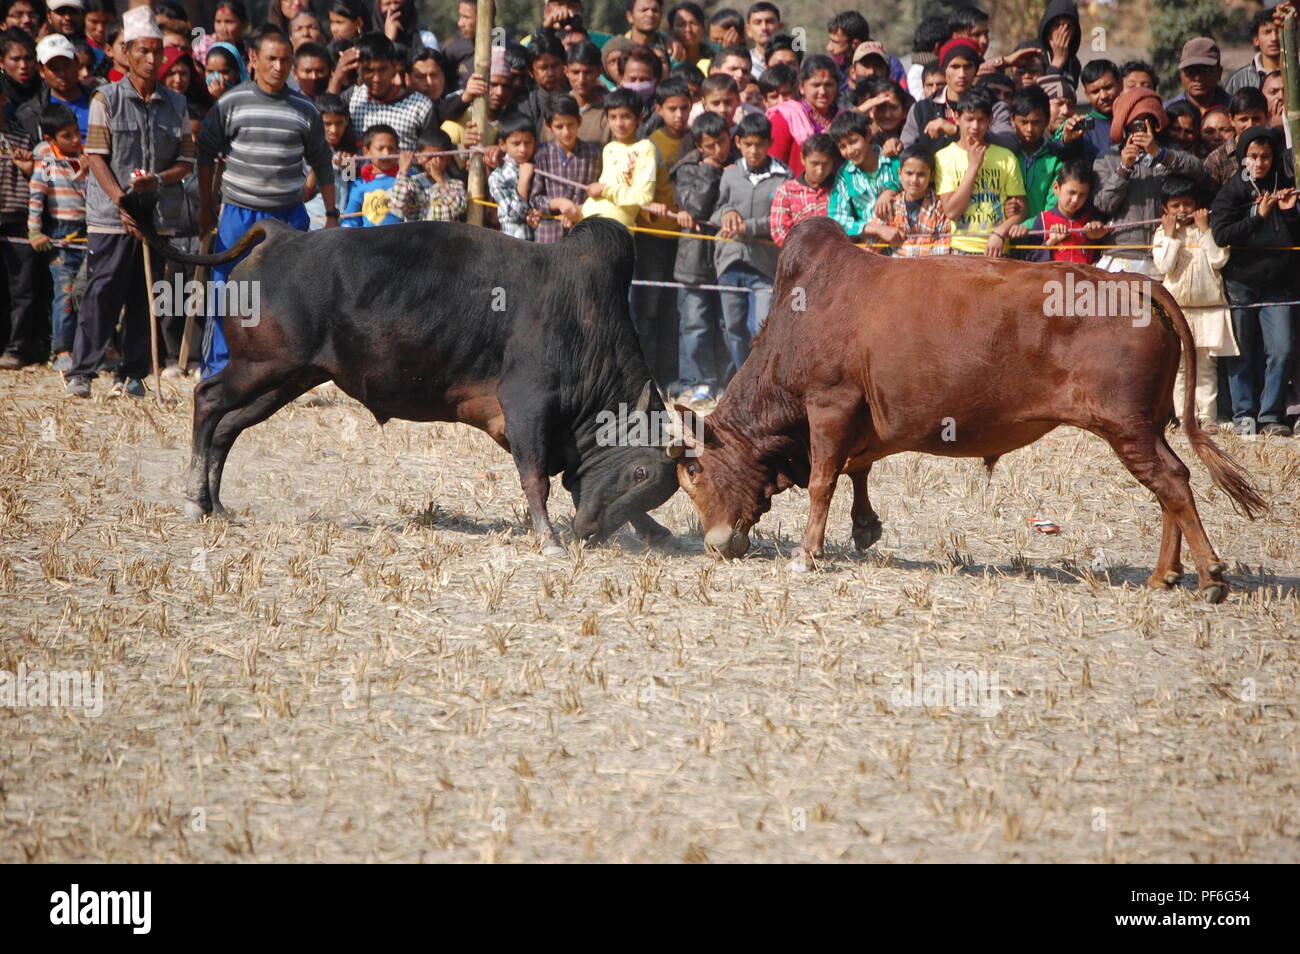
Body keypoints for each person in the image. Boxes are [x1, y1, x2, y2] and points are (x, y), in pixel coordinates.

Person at [63, 7, 194, 398]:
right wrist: (122, 202)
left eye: (158, 52)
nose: (152, 59)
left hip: (155, 214)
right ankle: (82, 370)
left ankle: (133, 372)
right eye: (144, 51)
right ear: (126, 51)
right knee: (102, 292)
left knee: (146, 294)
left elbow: (186, 161)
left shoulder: (177, 104)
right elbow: (97, 157)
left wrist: (160, 179)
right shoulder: (107, 98)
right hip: (110, 214)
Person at [197, 26, 335, 376]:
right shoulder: (229, 103)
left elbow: (323, 162)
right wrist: (204, 205)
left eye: (286, 60)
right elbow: (205, 155)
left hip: (288, 216)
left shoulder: (305, 109)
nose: (279, 66)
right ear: (253, 59)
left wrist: (331, 213)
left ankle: (283, 371)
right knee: (229, 291)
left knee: (288, 296)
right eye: (271, 58)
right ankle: (219, 370)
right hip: (239, 214)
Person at [1209, 126, 1299, 437]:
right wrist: (1257, 217)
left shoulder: (1286, 186)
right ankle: (1243, 413)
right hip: (1241, 282)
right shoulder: (1232, 191)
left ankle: (1271, 414)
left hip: (1278, 283)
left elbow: (1295, 236)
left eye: (1265, 157)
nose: (1258, 164)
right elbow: (1220, 234)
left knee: (1283, 348)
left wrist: (1288, 214)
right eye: (1252, 157)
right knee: (1241, 350)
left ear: (1274, 158)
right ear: (1243, 158)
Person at [1091, 86, 1203, 278]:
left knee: (1157, 309)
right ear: (1125, 125)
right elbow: (1103, 204)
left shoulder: (1168, 153)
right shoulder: (1108, 157)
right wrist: (1124, 168)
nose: (1141, 129)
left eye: (1148, 123)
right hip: (1121, 253)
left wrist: (1159, 153)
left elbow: (1198, 170)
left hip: (1165, 252)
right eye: (1136, 124)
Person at [1151, 175, 1234, 432]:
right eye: (1175, 206)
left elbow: (1219, 260)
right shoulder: (1161, 234)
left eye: (1187, 204)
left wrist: (1206, 229)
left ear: (1197, 204)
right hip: (1177, 310)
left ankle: (1207, 417)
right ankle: (1184, 418)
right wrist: (1170, 236)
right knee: (1179, 367)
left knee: (1206, 366)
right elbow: (1163, 266)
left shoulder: (1208, 229)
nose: (1182, 210)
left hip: (1209, 309)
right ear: (1165, 209)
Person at [711, 111, 787, 365]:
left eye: (760, 144)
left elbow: (783, 220)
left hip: (764, 264)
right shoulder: (730, 174)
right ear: (739, 143)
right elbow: (716, 210)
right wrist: (727, 212)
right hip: (730, 261)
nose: (754, 150)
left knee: (760, 327)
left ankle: (758, 381)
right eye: (748, 144)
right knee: (732, 327)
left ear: (770, 144)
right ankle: (741, 378)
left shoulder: (783, 178)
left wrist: (748, 227)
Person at [670, 109, 732, 402]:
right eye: (710, 145)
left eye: (722, 141)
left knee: (729, 323)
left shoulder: (739, 164)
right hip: (694, 259)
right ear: (698, 146)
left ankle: (726, 380)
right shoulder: (686, 169)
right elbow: (693, 208)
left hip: (728, 256)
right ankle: (697, 381)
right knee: (694, 322)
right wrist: (709, 171)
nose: (718, 150)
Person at [636, 75, 692, 384]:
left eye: (685, 108)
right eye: (672, 108)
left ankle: (673, 376)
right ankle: (646, 377)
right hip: (652, 235)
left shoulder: (695, 139)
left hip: (686, 238)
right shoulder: (650, 145)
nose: (679, 115)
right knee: (649, 308)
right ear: (659, 109)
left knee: (676, 310)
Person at [26, 103, 85, 373]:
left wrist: (88, 169)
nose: (76, 140)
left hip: (88, 231)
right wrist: (35, 231)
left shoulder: (86, 157)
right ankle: (62, 349)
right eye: (68, 136)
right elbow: (36, 197)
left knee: (90, 292)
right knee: (65, 292)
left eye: (77, 133)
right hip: (61, 232)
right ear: (50, 138)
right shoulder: (45, 161)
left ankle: (91, 348)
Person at [934, 87, 1025, 256]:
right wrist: (973, 167)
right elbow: (952, 211)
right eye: (969, 119)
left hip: (997, 249)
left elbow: (1021, 209)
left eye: (981, 120)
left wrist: (1000, 232)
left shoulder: (1006, 157)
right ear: (956, 117)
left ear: (990, 119)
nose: (975, 126)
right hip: (960, 249)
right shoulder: (944, 157)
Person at [901, 37, 1015, 155]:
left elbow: (1011, 144)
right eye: (955, 67)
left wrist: (956, 131)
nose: (962, 74)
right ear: (944, 69)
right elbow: (906, 154)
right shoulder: (921, 110)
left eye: (968, 67)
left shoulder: (993, 105)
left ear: (976, 70)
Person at [0, 80, 37, 371]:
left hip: (17, 219)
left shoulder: (22, 137)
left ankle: (16, 348)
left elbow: (37, 181)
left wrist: (28, 169)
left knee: (21, 289)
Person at [527, 94, 599, 242]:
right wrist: (559, 203)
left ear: (579, 121)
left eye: (570, 124)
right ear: (549, 126)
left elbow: (600, 195)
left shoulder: (593, 154)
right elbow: (535, 199)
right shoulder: (541, 154)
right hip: (549, 234)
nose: (566, 132)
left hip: (583, 232)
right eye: (559, 126)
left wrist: (578, 210)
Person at [1008, 159, 1108, 264]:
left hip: (1084, 279)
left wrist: (1096, 236)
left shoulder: (1091, 220)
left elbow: (1098, 258)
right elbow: (1031, 261)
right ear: (1056, 188)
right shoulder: (1042, 220)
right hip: (1051, 279)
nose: (1075, 200)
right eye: (1071, 192)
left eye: (1082, 195)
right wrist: (1052, 241)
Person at [582, 86, 656, 228]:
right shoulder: (609, 149)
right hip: (589, 221)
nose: (619, 124)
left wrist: (605, 189)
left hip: (616, 229)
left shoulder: (647, 149)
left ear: (639, 118)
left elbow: (644, 197)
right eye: (613, 117)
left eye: (626, 117)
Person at [345, 31, 433, 151]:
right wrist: (338, 76)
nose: (376, 79)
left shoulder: (421, 106)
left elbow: (430, 155)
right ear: (358, 69)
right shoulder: (351, 98)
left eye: (382, 70)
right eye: (369, 71)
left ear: (394, 66)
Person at [826, 110, 898, 241]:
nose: (849, 151)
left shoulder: (893, 159)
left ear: (868, 134)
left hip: (906, 245)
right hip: (869, 252)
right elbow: (836, 218)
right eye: (842, 146)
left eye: (853, 141)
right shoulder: (844, 175)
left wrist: (891, 190)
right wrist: (876, 229)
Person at [768, 53, 839, 178]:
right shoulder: (786, 117)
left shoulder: (841, 116)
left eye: (829, 85)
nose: (822, 92)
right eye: (816, 85)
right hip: (793, 193)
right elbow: (774, 166)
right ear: (801, 87)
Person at [17, 34, 95, 144]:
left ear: (77, 64)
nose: (62, 73)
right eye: (54, 68)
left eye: (66, 65)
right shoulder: (30, 113)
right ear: (41, 71)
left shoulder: (100, 100)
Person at [876, 144, 950, 257]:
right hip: (895, 269)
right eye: (909, 173)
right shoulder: (891, 205)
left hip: (930, 269)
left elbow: (943, 248)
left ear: (932, 176)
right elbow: (872, 244)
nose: (914, 180)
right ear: (899, 174)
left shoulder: (940, 206)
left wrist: (910, 252)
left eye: (921, 174)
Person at [769, 131, 837, 246]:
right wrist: (806, 249)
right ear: (802, 159)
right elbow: (779, 231)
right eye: (814, 164)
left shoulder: (839, 188)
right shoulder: (787, 191)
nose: (820, 171)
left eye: (826, 164)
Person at [388, 126, 466, 222]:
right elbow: (397, 209)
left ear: (448, 159)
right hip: (417, 235)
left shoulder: (455, 185)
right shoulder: (411, 183)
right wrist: (403, 170)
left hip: (445, 236)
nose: (433, 162)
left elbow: (460, 208)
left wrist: (440, 180)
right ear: (419, 158)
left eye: (439, 158)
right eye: (429, 157)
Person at [487, 112, 539, 240]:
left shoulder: (540, 168)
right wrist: (523, 181)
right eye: (516, 143)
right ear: (502, 144)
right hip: (513, 246)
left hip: (540, 241)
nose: (523, 149)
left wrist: (538, 213)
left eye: (528, 143)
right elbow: (512, 214)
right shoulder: (497, 177)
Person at [1204, 88, 1269, 187]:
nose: (1250, 125)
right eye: (1243, 120)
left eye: (1256, 119)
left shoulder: (1278, 150)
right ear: (1232, 120)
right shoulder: (1216, 160)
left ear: (1267, 118)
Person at [341, 122, 402, 226]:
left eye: (391, 148)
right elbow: (350, 219)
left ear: (397, 151)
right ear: (366, 152)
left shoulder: (406, 177)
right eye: (380, 148)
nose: (386, 154)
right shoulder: (359, 183)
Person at [1165, 38, 1230, 115]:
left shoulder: (1235, 109)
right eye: (1191, 72)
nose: (1198, 78)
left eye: (1205, 71)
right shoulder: (1168, 113)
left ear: (1219, 72)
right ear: (1181, 75)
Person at [1226, 8, 1281, 94]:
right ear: (1256, 40)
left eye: (1278, 31)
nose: (1274, 38)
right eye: (1267, 32)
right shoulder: (1239, 80)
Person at [1038, 0, 1081, 89]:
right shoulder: (1033, 54)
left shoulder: (1073, 64)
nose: (1063, 32)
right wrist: (1056, 64)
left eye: (1069, 27)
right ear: (1048, 28)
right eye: (1057, 25)